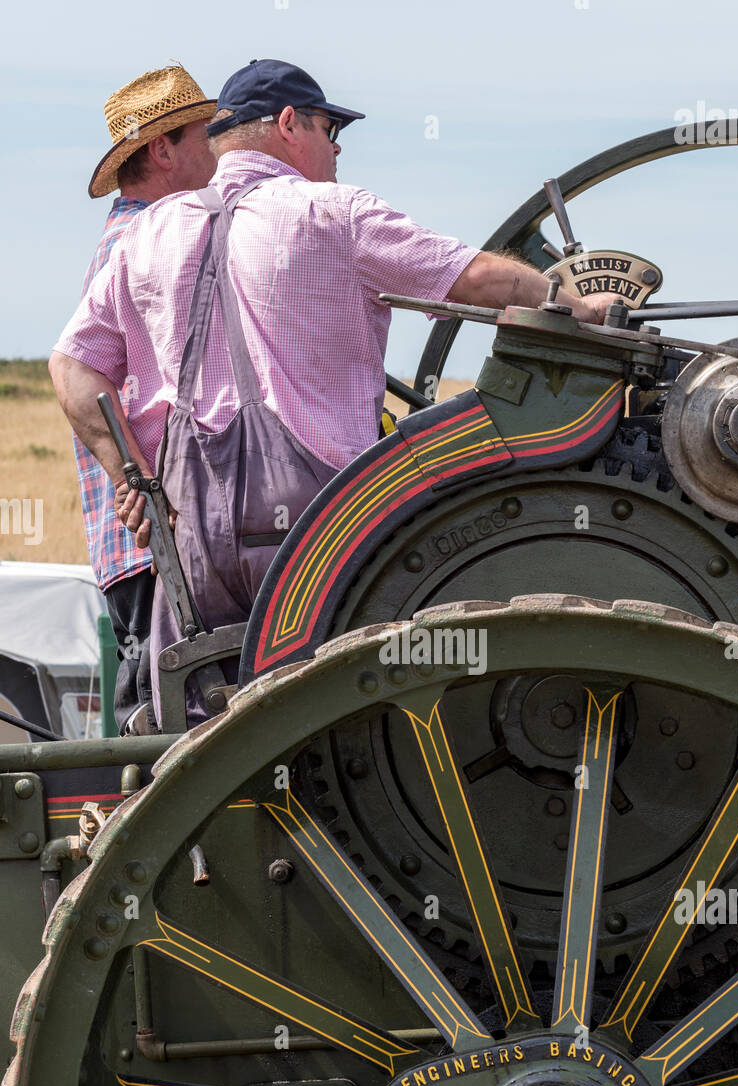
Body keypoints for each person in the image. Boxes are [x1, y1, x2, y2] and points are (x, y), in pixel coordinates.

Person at [49, 59, 617, 729]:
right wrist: (574, 305)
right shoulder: (334, 214)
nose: (338, 145)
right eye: (330, 126)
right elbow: (480, 281)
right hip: (321, 526)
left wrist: (136, 480)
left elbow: (71, 367)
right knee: (346, 726)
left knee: (198, 738)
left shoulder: (151, 231)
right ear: (289, 125)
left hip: (192, 530)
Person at [69, 64, 216, 734]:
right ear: (163, 149)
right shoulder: (146, 241)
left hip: (139, 551)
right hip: (154, 550)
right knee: (161, 737)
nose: (220, 151)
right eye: (207, 135)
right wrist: (143, 487)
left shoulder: (127, 236)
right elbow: (77, 377)